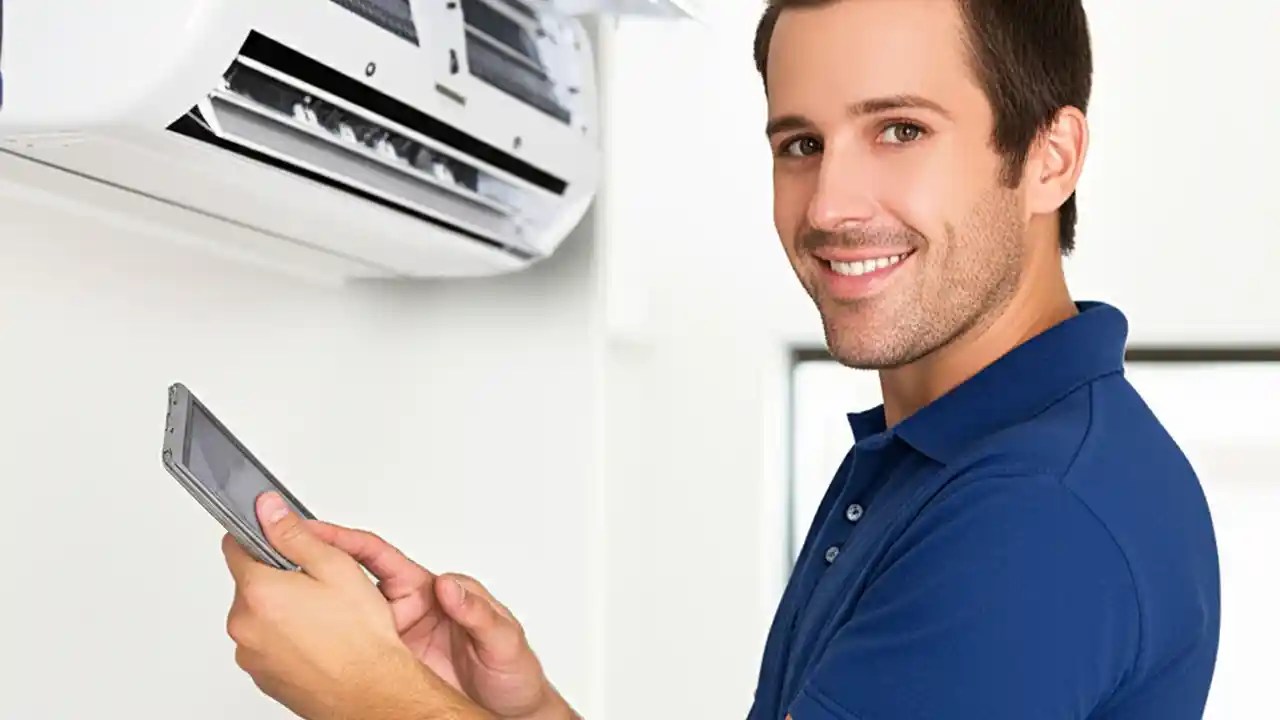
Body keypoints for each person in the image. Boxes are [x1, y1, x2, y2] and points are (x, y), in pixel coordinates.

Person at [217, 0, 1222, 718]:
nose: (829, 205)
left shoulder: (1032, 514)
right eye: (798, 144)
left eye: (900, 130)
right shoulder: (949, 454)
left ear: (1048, 157)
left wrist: (373, 702)